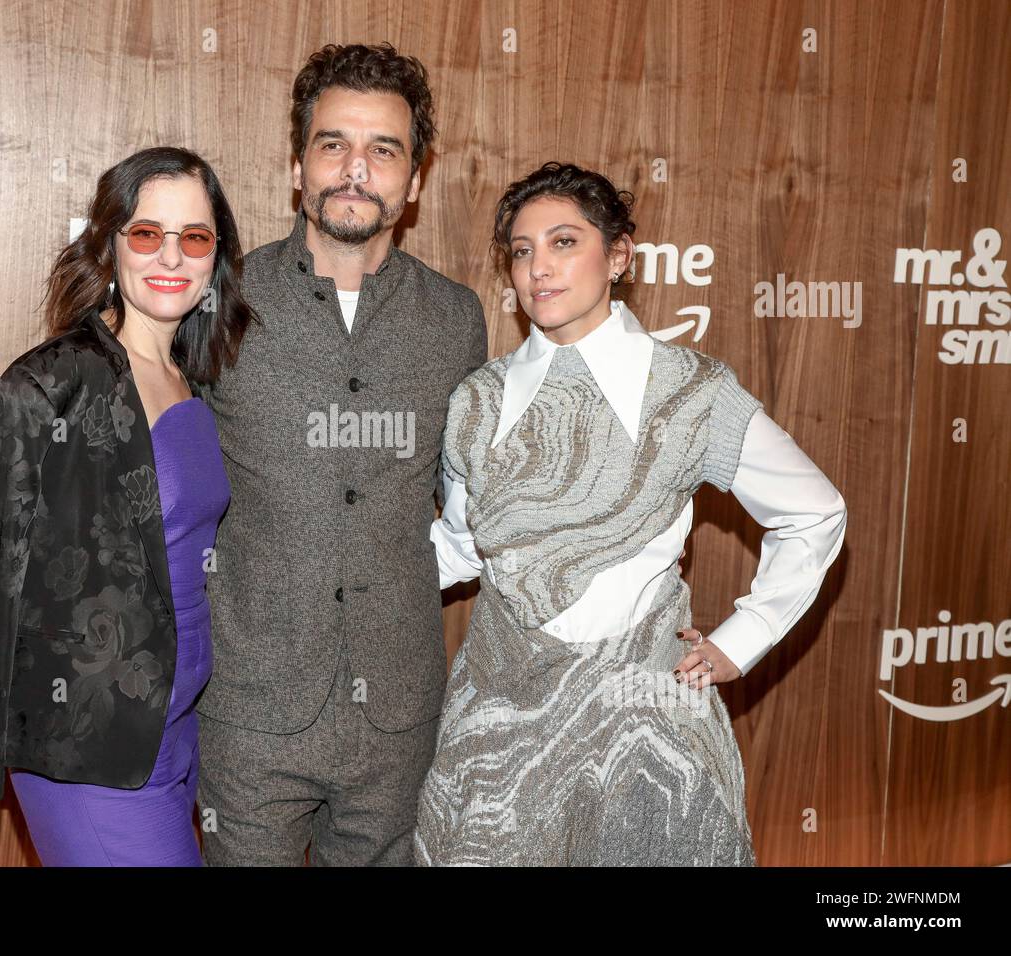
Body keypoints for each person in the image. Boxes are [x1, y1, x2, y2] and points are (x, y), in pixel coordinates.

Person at [413, 162, 848, 866]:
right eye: (522, 251)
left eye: (563, 242)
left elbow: (815, 512)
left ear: (618, 257)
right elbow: (463, 548)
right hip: (497, 727)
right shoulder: (478, 400)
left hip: (645, 723)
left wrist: (745, 637)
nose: (539, 269)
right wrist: (346, 581)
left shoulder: (692, 393)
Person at [192, 43, 488, 865]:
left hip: (399, 716)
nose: (356, 170)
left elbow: (466, 498)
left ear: (415, 179)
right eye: (333, 145)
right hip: (249, 710)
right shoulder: (220, 304)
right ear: (298, 164)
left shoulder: (457, 319)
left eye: (383, 150)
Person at [0, 146, 255, 865]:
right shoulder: (52, 385)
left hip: (177, 735)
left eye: (195, 237)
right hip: (87, 748)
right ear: (110, 244)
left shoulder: (191, 379)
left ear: (216, 258)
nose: (170, 255)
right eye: (146, 233)